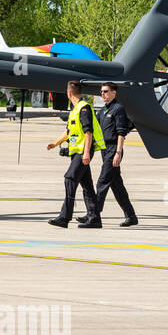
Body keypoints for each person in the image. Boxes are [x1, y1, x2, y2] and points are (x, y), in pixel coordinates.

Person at [45, 80, 105, 228]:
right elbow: (68, 132)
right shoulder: (75, 110)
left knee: (70, 179)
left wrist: (86, 153)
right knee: (87, 185)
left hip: (83, 152)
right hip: (77, 152)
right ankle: (94, 218)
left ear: (69, 93)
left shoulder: (84, 108)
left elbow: (88, 132)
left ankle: (64, 217)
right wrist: (55, 143)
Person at [87, 82, 138, 227]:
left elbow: (121, 132)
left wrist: (118, 152)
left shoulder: (118, 109)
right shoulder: (102, 111)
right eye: (101, 92)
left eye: (105, 91)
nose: (102, 94)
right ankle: (131, 216)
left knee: (102, 182)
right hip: (105, 150)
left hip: (114, 149)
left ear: (114, 92)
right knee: (117, 186)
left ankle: (93, 215)